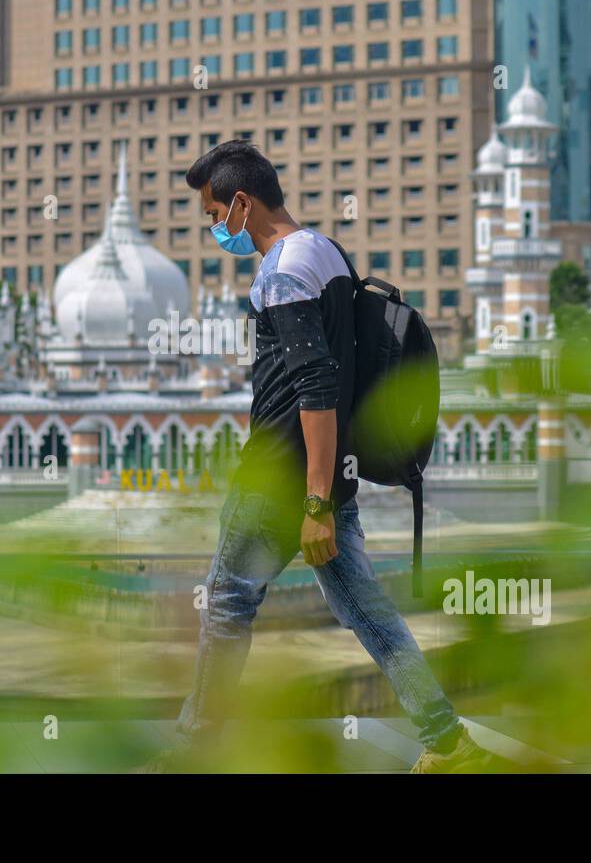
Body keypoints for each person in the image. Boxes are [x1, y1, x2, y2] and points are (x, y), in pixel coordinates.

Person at [144, 141, 494, 773]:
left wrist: (312, 502)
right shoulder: (327, 251)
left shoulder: (280, 271)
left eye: (213, 213)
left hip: (281, 480)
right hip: (329, 478)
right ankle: (450, 745)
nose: (213, 227)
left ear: (242, 203)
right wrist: (328, 492)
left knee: (225, 607)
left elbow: (317, 386)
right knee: (371, 616)